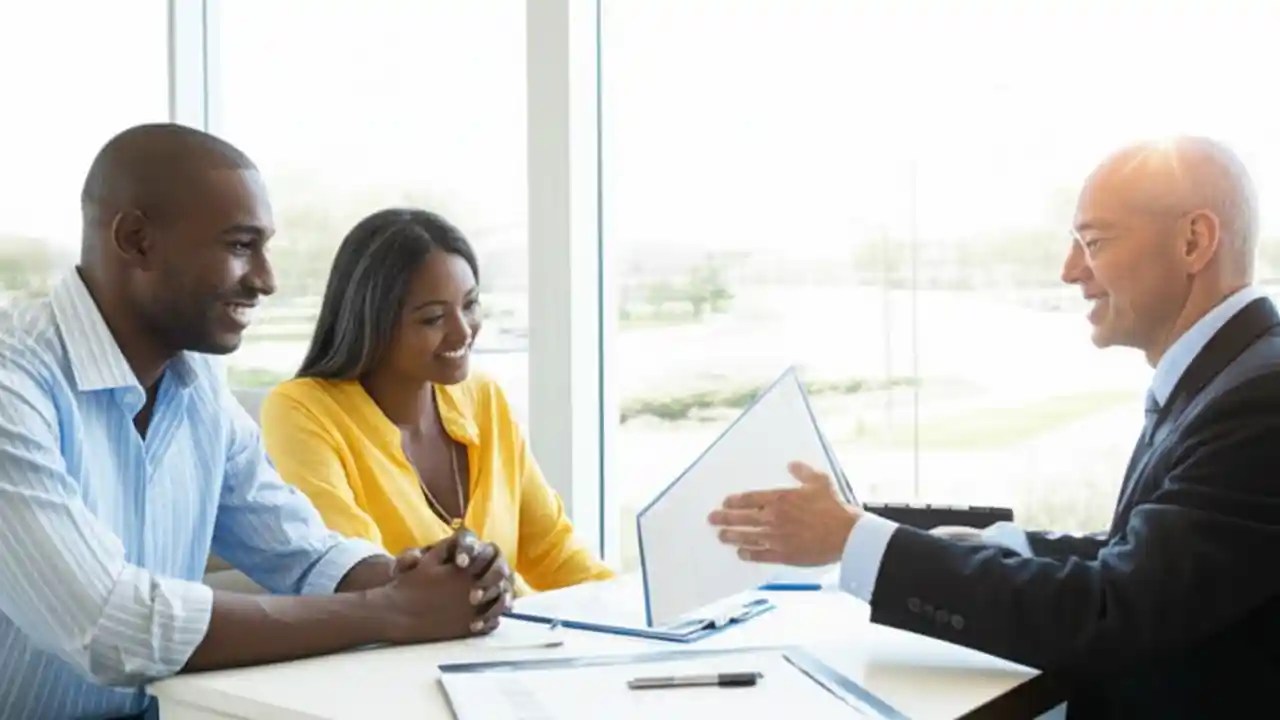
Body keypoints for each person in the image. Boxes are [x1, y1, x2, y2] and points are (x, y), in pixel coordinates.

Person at [708, 136, 1280, 716]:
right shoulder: (1234, 375)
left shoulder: (1261, 394)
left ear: (1193, 241)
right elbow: (1140, 556)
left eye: (1095, 242)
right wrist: (970, 541)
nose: (1069, 270)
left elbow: (1115, 610)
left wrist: (854, 542)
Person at [0, 124, 513, 720]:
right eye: (241, 246)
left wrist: (436, 581)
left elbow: (303, 552)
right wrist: (393, 610)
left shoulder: (198, 389)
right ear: (137, 239)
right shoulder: (15, 384)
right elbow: (111, 624)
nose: (266, 279)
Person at [259, 208, 612, 597]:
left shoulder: (483, 399)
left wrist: (636, 617)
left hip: (505, 645)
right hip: (391, 654)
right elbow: (350, 572)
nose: (463, 331)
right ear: (371, 321)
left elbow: (554, 553)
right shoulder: (301, 410)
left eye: (470, 304)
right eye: (432, 319)